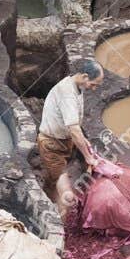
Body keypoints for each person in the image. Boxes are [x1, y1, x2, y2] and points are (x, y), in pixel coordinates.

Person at [34, 61, 104, 209]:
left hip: (63, 140)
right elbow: (74, 129)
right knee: (66, 191)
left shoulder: (78, 87)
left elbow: (75, 126)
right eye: (94, 84)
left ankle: (50, 192)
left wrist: (84, 140)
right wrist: (88, 156)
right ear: (85, 76)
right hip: (51, 143)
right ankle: (61, 218)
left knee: (55, 176)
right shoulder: (67, 94)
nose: (94, 88)